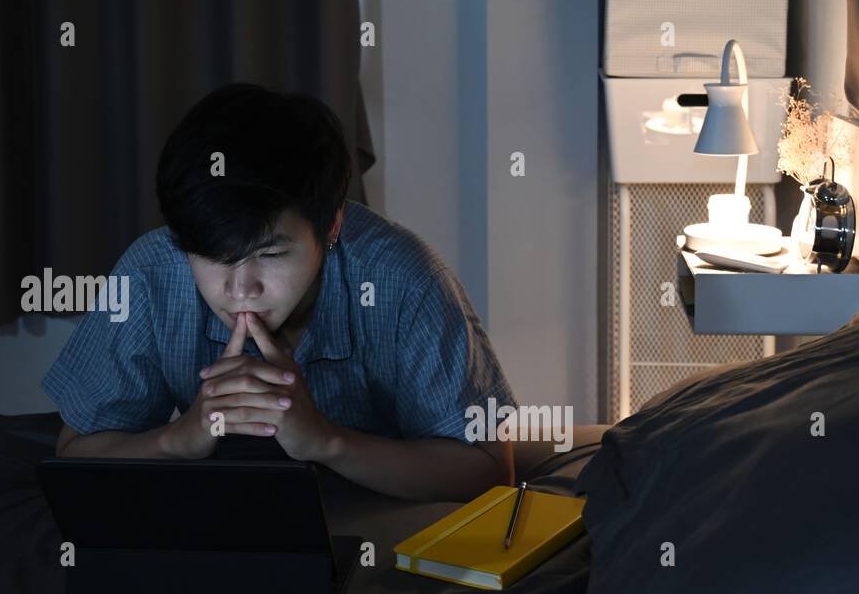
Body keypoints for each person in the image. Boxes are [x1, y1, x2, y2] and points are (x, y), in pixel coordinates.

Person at [42, 83, 515, 501]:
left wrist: (325, 441)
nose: (241, 289)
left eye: (270, 255)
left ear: (330, 224)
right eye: (214, 257)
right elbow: (75, 452)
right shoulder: (152, 272)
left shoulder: (404, 278)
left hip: (379, 510)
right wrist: (177, 439)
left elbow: (492, 469)